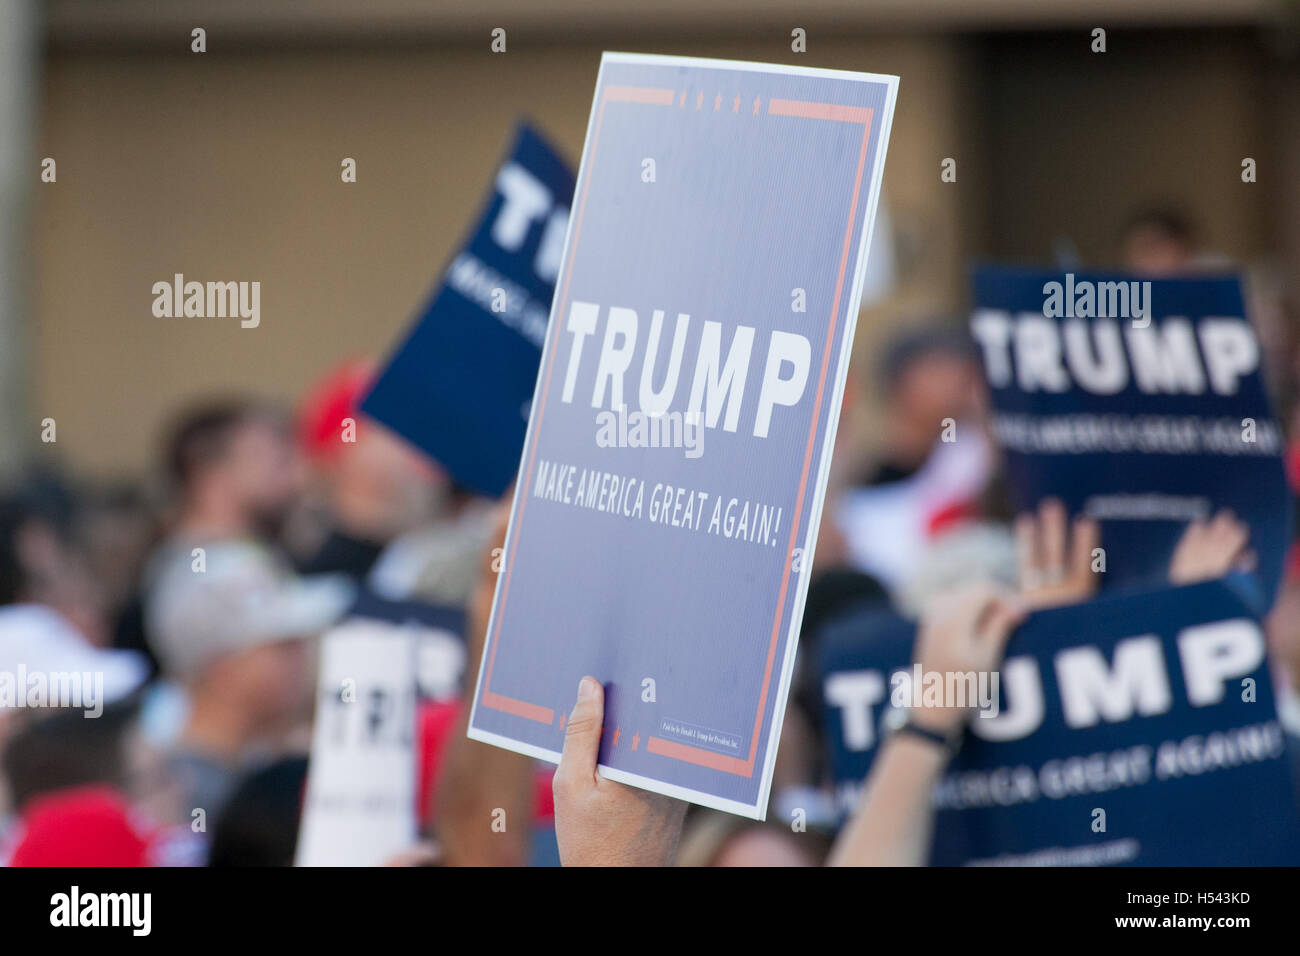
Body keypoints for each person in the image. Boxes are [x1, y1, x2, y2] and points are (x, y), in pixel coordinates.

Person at [145, 541, 352, 834]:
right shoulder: (180, 794)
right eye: (283, 645)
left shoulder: (255, 763)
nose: (302, 656)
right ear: (222, 668)